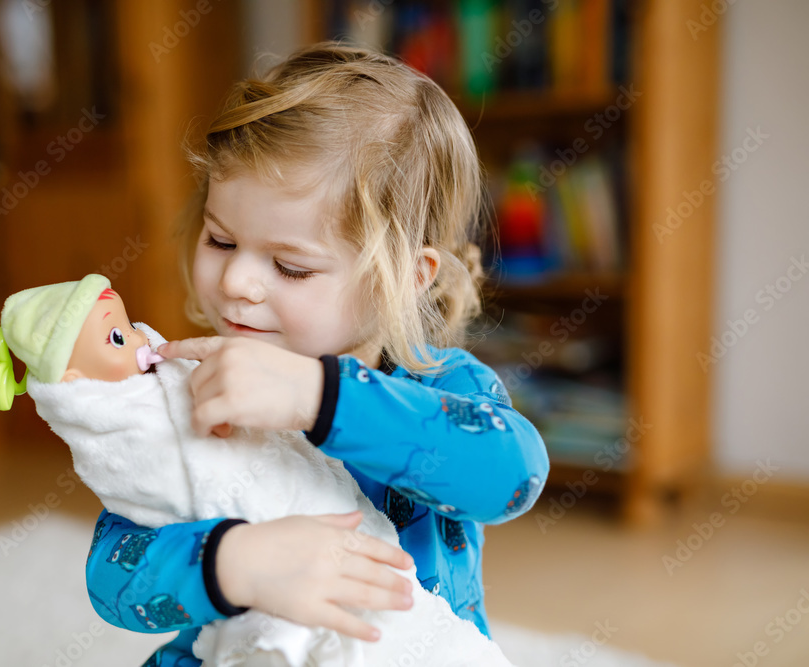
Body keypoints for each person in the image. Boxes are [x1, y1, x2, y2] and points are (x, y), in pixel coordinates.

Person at [85, 41, 549, 665]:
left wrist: (319, 397)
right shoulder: (187, 387)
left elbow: (513, 479)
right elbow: (112, 578)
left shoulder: (438, 386)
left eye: (290, 267)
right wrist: (231, 564)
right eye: (220, 240)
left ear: (409, 275)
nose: (237, 283)